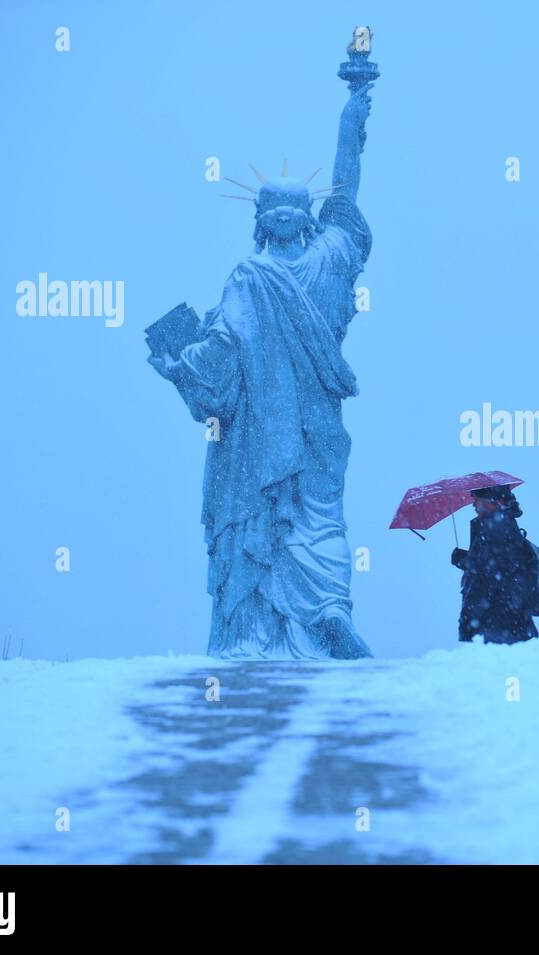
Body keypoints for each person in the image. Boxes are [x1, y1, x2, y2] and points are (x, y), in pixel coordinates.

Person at [146, 85, 375, 660]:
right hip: (320, 431)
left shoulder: (250, 278)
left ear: (260, 221)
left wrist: (175, 365)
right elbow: (346, 187)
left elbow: (217, 360)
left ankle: (259, 636)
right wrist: (354, 110)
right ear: (306, 218)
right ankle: (329, 606)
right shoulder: (332, 259)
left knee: (267, 526)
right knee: (321, 519)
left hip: (260, 438)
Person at [450, 485, 539, 645]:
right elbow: (492, 564)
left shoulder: (498, 525)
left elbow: (493, 570)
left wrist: (463, 559)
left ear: (491, 501)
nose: (473, 505)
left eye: (476, 499)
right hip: (504, 621)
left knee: (495, 667)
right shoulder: (499, 524)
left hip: (497, 624)